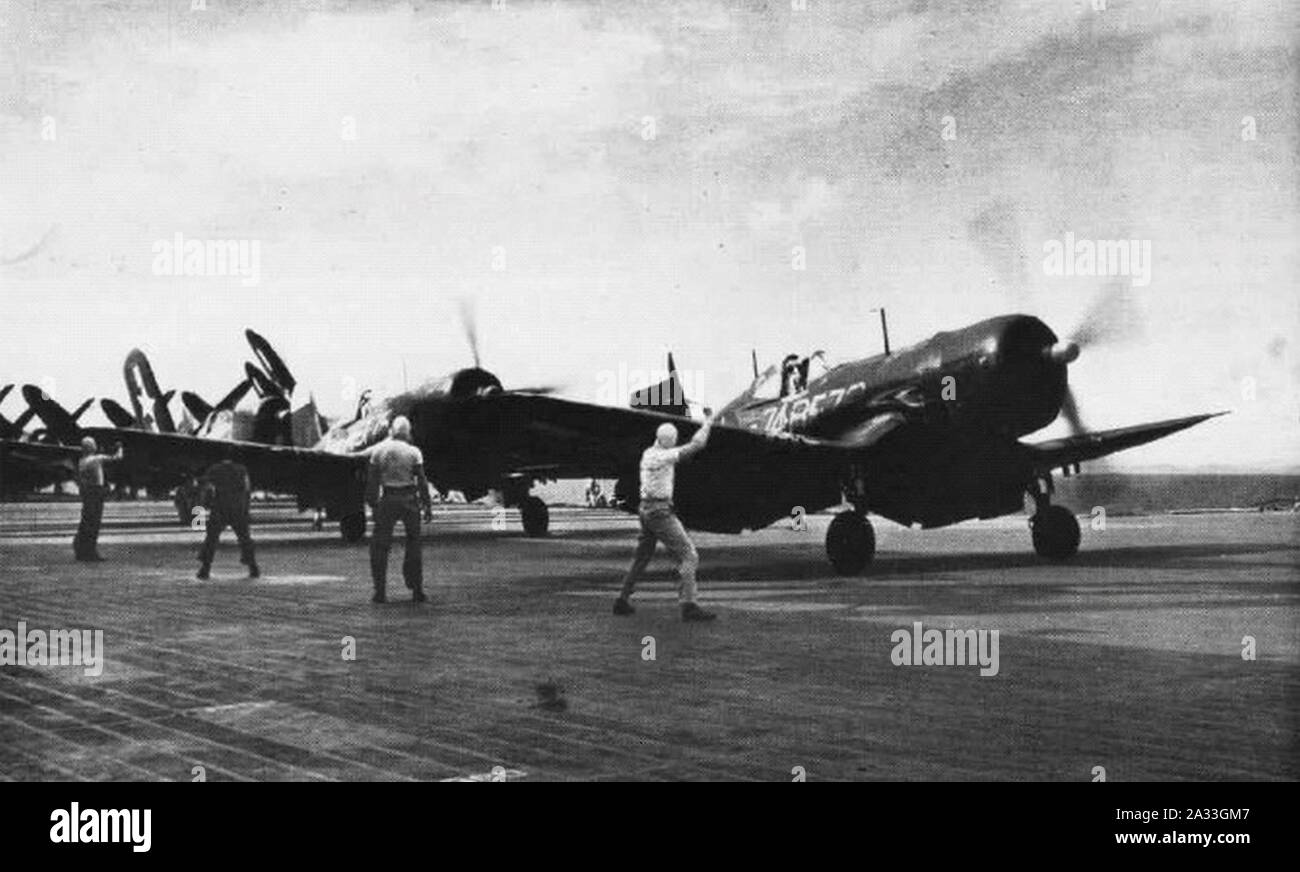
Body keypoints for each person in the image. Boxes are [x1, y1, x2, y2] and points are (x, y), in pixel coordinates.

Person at [613, 416, 718, 622]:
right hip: (660, 512)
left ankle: (622, 600)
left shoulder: (648, 453)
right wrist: (708, 422)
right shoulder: (664, 456)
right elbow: (697, 445)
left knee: (642, 557)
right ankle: (689, 605)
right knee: (689, 555)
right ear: (670, 440)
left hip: (645, 510)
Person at [366, 415, 432, 604]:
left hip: (388, 499)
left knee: (379, 546)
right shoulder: (414, 452)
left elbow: (372, 481)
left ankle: (380, 592)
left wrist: (373, 503)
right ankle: (417, 590)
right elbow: (421, 480)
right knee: (414, 544)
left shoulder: (378, 451)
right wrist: (427, 504)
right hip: (409, 500)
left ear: (391, 432)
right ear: (408, 433)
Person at [196, 448, 259, 580]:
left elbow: (206, 489)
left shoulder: (214, 469)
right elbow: (247, 489)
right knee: (244, 538)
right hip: (238, 508)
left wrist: (202, 509)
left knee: (212, 538)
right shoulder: (242, 470)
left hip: (220, 507)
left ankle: (205, 569)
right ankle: (253, 567)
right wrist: (246, 509)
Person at [73, 437, 122, 561]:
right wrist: (120, 447)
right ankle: (90, 552)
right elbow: (117, 458)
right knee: (94, 523)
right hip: (96, 492)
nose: (96, 446)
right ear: (91, 447)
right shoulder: (97, 459)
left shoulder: (82, 461)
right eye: (94, 444)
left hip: (86, 492)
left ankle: (80, 548)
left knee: (85, 520)